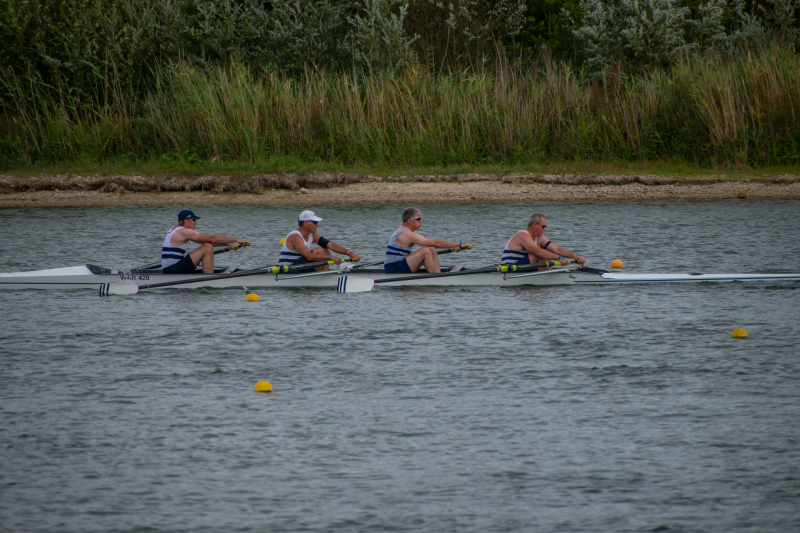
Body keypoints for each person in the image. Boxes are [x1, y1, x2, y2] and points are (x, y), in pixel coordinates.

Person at [384, 207, 471, 274]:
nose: (421, 221)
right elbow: (436, 243)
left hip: (400, 265)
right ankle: (437, 278)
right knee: (426, 251)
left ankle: (438, 275)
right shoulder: (406, 234)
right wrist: (458, 245)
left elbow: (433, 245)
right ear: (409, 221)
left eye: (421, 219)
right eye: (418, 219)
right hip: (393, 270)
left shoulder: (404, 231)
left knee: (431, 248)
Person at [162, 210, 250, 274]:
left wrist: (227, 243)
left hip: (172, 268)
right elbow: (212, 239)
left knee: (207, 246)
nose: (196, 223)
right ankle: (209, 278)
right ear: (186, 221)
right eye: (194, 220)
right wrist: (237, 240)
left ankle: (209, 275)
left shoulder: (175, 230)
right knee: (207, 249)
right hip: (172, 270)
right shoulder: (184, 231)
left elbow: (209, 242)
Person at [278, 210, 361, 268]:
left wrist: (349, 253)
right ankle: (321, 277)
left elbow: (331, 245)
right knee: (320, 251)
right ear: (306, 223)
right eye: (315, 222)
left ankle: (322, 276)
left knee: (325, 250)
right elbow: (309, 256)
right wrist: (331, 258)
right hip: (289, 269)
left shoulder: (313, 235)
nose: (317, 225)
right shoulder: (295, 236)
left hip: (301, 265)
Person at [501, 213, 585, 269]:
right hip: (511, 269)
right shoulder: (522, 236)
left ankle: (545, 286)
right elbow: (538, 252)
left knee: (548, 253)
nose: (545, 229)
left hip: (525, 268)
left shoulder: (539, 238)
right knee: (541, 252)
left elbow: (557, 249)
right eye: (543, 226)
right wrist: (559, 258)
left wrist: (575, 257)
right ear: (534, 225)